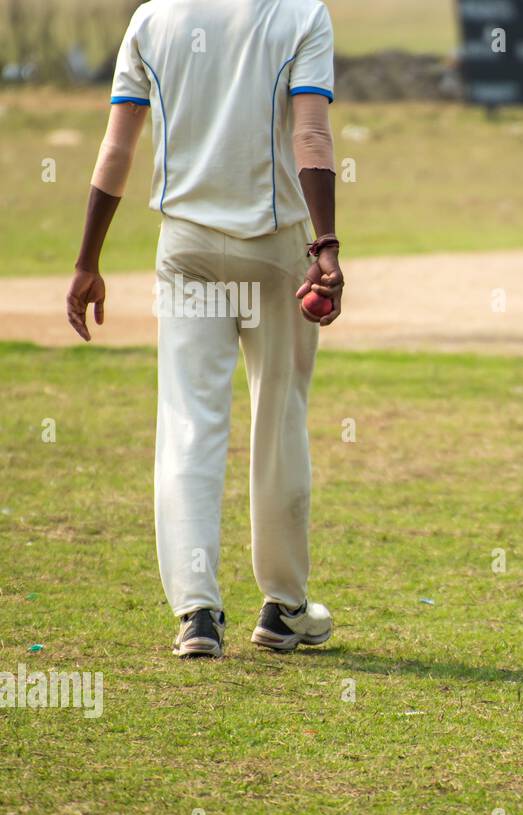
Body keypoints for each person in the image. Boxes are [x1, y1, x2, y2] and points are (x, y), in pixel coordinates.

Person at [64, 0, 344, 658]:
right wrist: (326, 242)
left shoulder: (151, 19)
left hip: (185, 247)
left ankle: (197, 614)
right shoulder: (300, 14)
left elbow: (118, 146)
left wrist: (86, 260)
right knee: (279, 416)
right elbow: (311, 136)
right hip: (273, 246)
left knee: (189, 421)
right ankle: (284, 607)